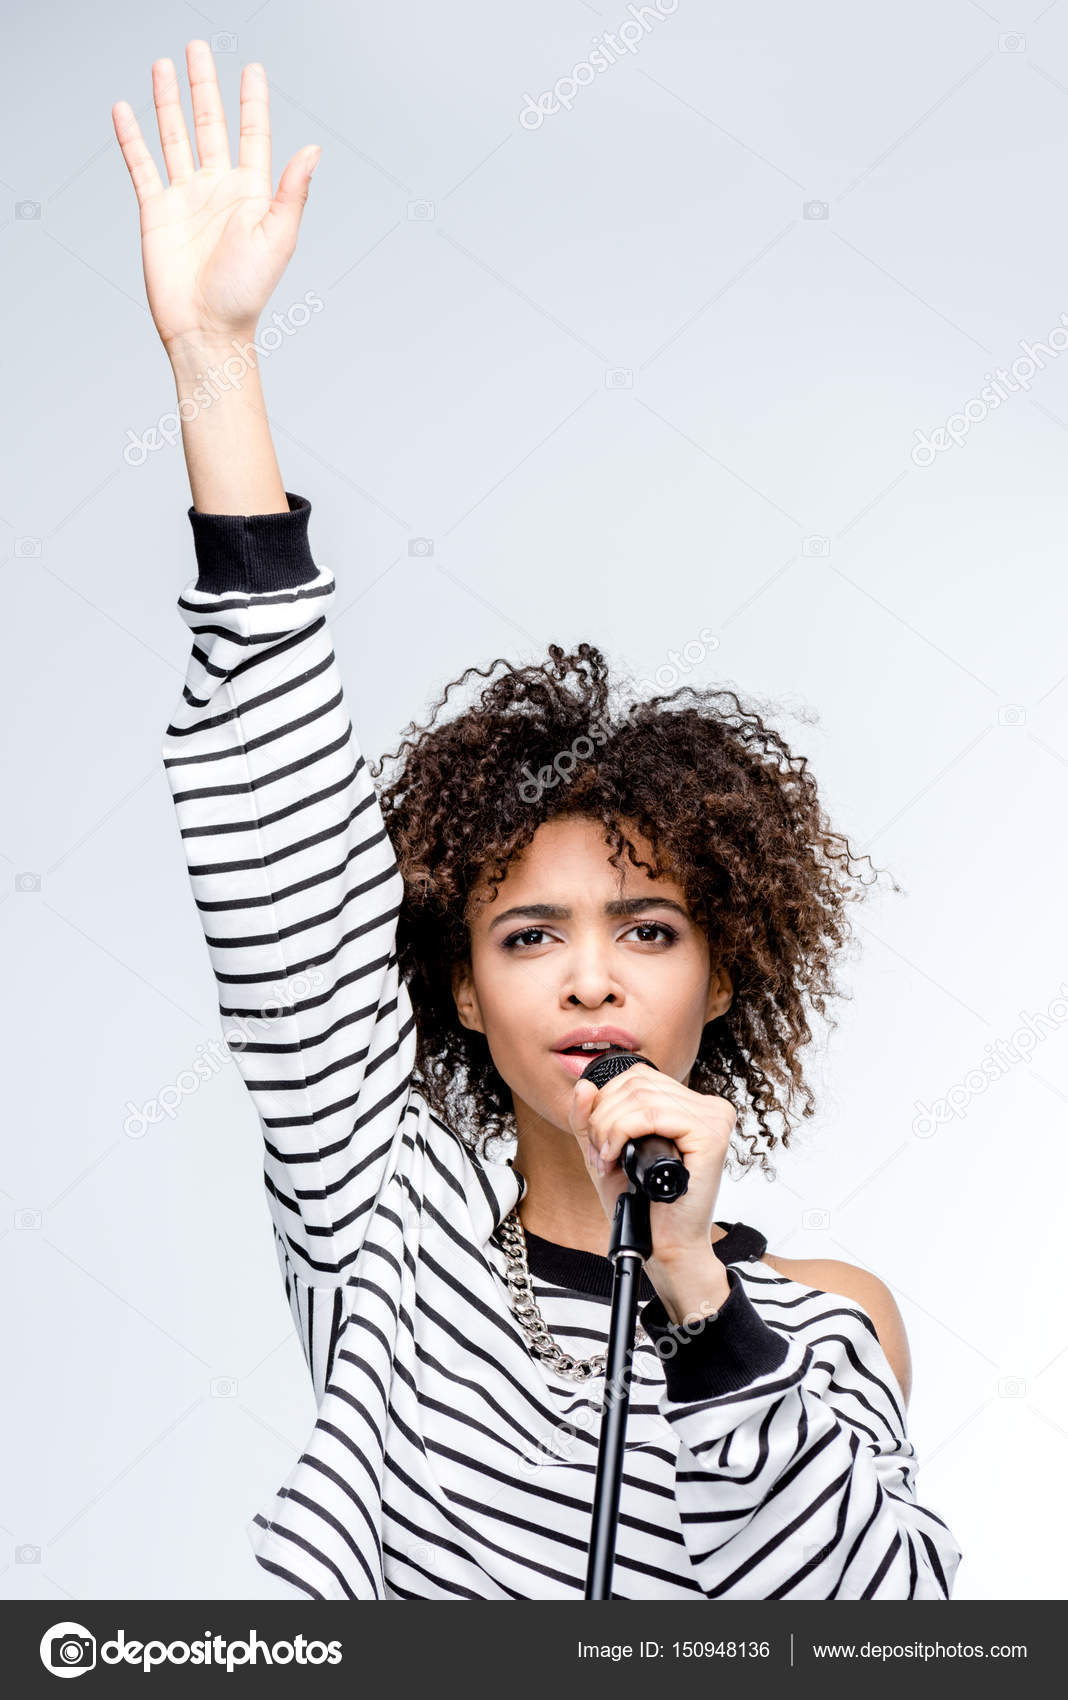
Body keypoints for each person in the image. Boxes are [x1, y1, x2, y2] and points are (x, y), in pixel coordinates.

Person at [113, 41, 963, 1601]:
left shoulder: (831, 1321)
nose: (588, 981)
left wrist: (702, 1291)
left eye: (646, 931)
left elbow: (871, 1632)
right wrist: (216, 363)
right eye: (528, 935)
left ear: (722, 976)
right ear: (457, 984)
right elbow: (283, 867)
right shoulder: (393, 1223)